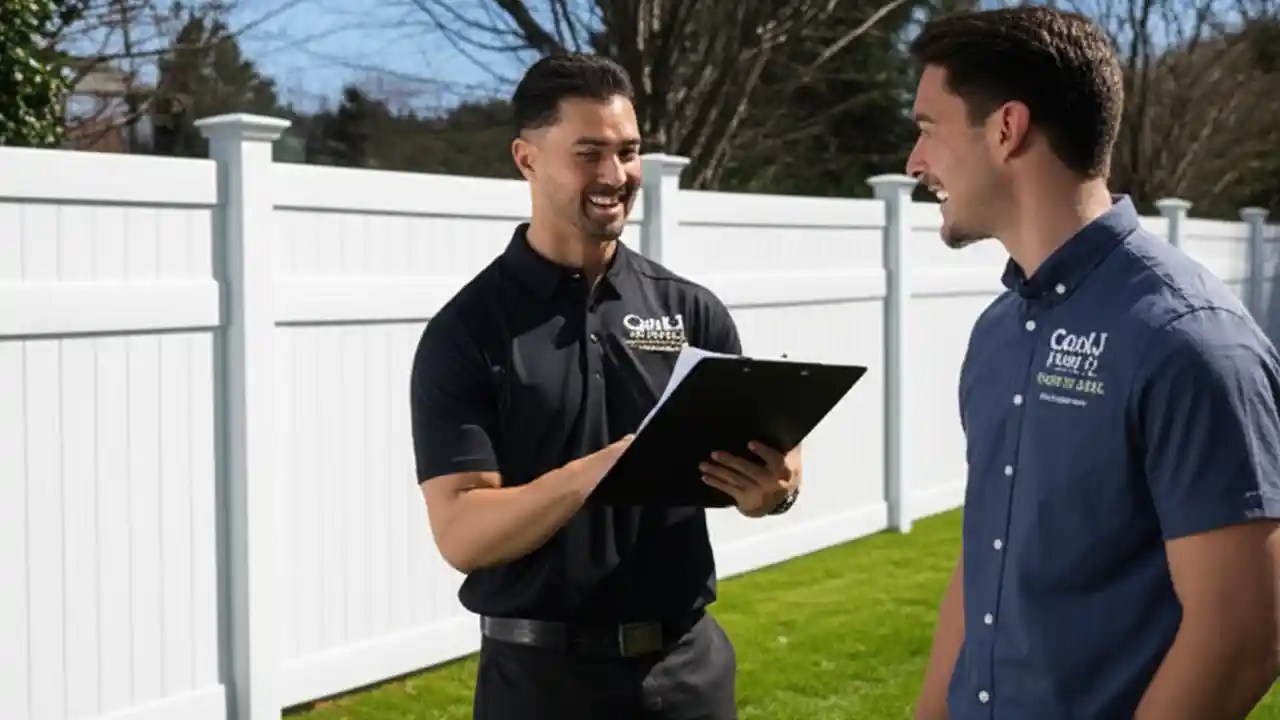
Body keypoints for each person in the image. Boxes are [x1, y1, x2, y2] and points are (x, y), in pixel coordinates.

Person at [903, 7, 1280, 720]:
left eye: (927, 129)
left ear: (1006, 130)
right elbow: (987, 551)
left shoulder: (1190, 340)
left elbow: (1242, 632)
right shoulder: (999, 333)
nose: (915, 163)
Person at [408, 52, 801, 720]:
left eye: (628, 151)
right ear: (526, 158)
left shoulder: (689, 311)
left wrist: (774, 490)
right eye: (588, 153)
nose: (614, 176)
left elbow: (761, 469)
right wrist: (604, 471)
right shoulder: (467, 332)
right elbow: (462, 534)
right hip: (539, 685)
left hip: (689, 670)